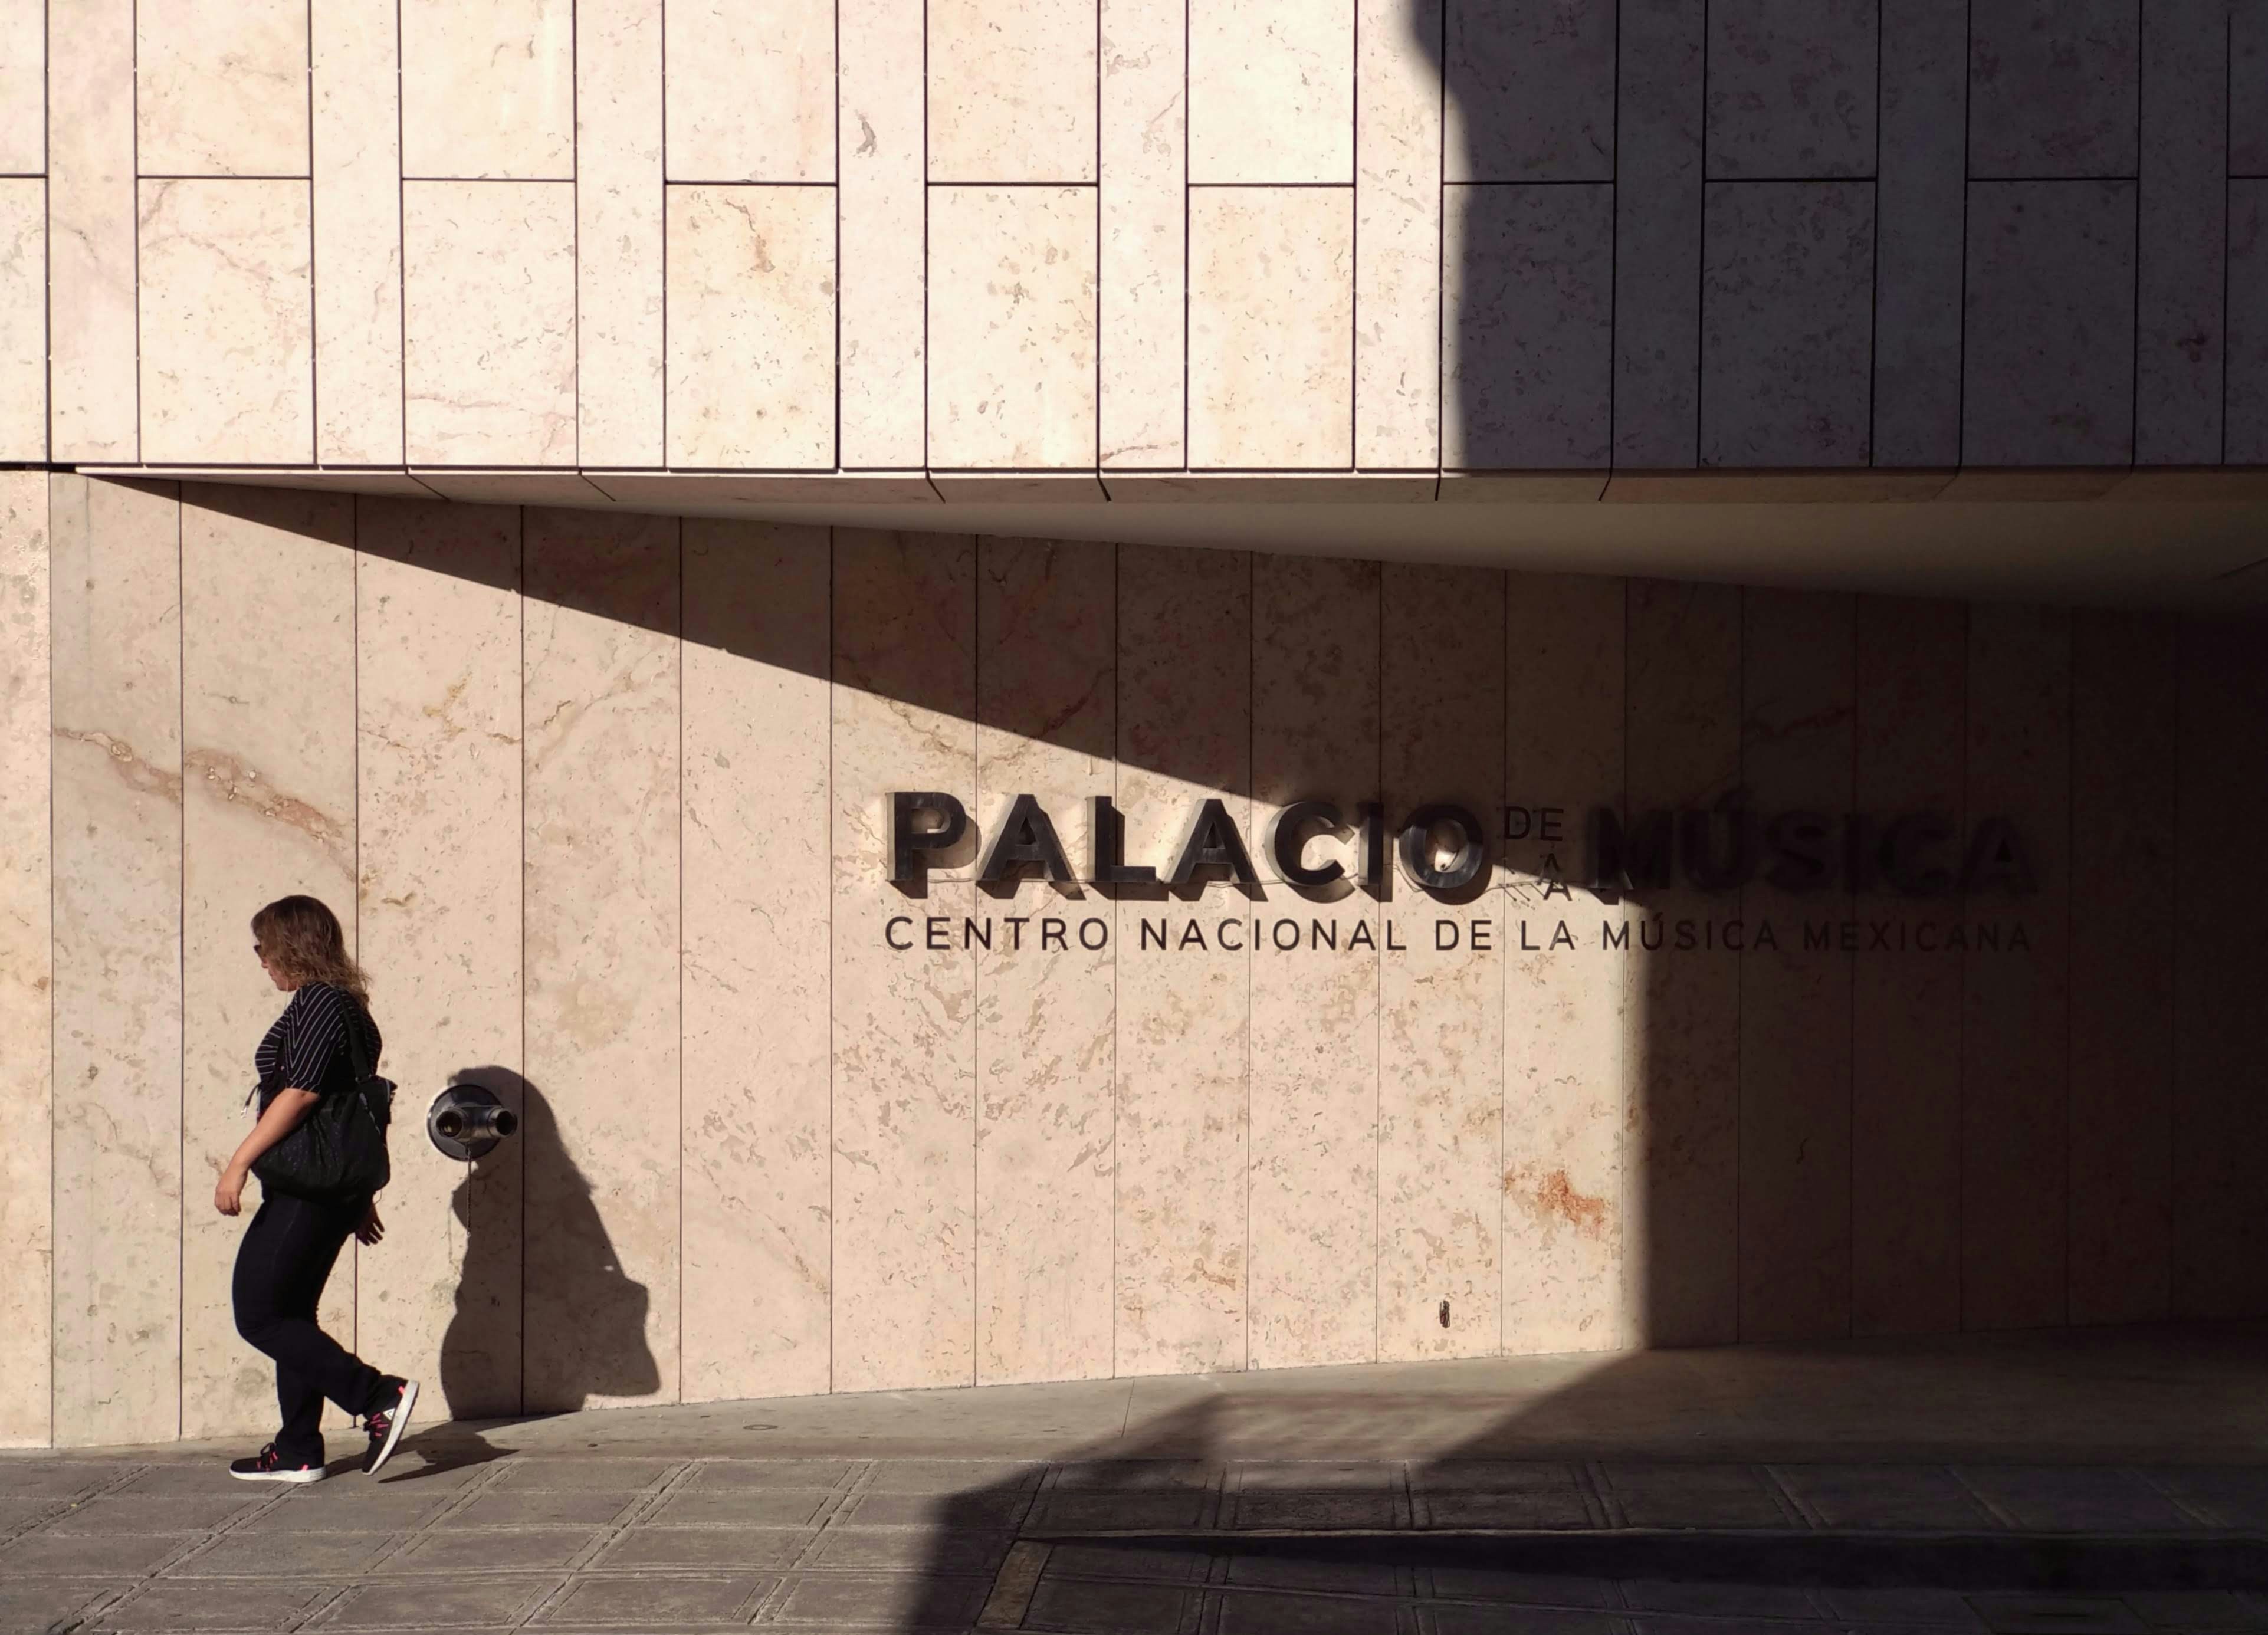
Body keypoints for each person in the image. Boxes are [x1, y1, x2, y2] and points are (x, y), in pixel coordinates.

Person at [215, 895, 418, 1482]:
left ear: (291, 947)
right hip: (324, 1187)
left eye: (264, 948)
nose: (261, 961)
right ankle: (299, 1447)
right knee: (291, 1314)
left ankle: (377, 1395)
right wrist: (359, 1195)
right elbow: (357, 1109)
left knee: (259, 1315)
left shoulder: (322, 1001)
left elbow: (303, 1093)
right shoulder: (347, 1006)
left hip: (306, 1189)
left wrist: (237, 1166)